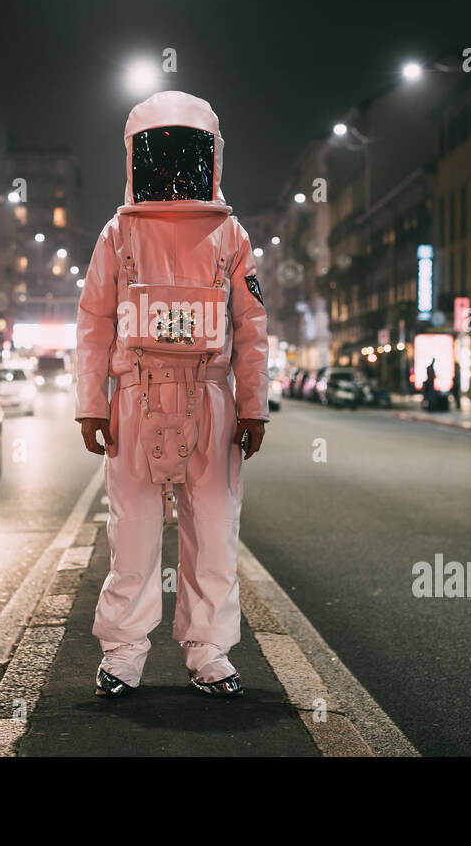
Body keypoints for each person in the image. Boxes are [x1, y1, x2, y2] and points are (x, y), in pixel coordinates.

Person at [75, 91, 269, 699]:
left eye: (183, 149)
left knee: (206, 528)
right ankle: (132, 652)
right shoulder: (122, 232)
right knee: (142, 528)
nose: (171, 162)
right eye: (163, 149)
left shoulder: (226, 233)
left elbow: (251, 325)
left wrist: (253, 403)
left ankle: (196, 649)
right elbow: (94, 320)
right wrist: (89, 401)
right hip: (147, 394)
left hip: (188, 394)